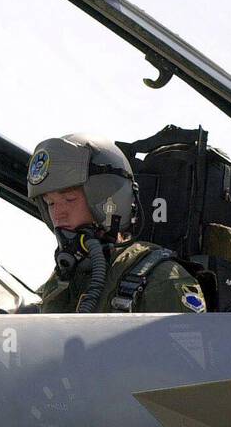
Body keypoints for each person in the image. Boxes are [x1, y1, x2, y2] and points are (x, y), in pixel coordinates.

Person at [26, 133, 207, 314]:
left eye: (70, 199)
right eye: (50, 203)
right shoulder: (62, 283)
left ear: (109, 202)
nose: (58, 215)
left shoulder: (162, 280)